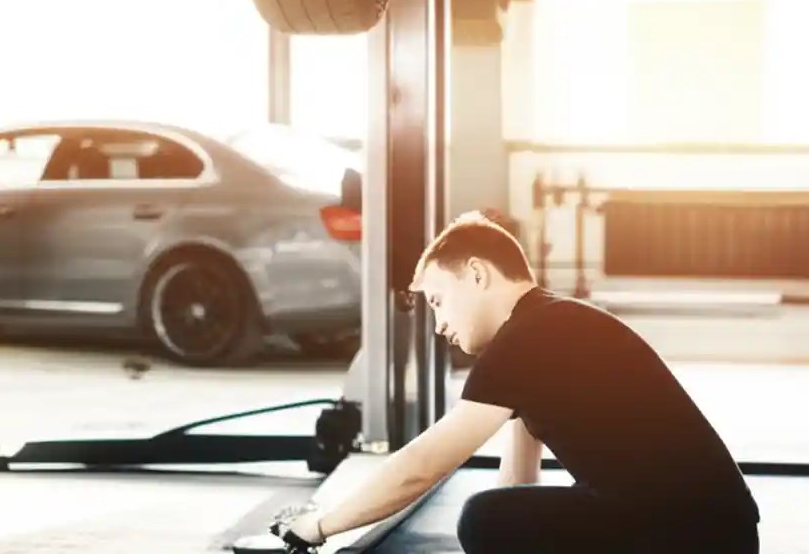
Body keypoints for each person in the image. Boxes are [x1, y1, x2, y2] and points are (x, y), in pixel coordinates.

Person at [285, 211, 760, 552]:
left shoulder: (528, 337)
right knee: (500, 515)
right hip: (714, 532)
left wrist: (320, 527)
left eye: (437, 301)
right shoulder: (544, 327)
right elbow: (517, 482)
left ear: (476, 275)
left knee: (483, 517)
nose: (438, 326)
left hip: (693, 536)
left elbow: (423, 465)